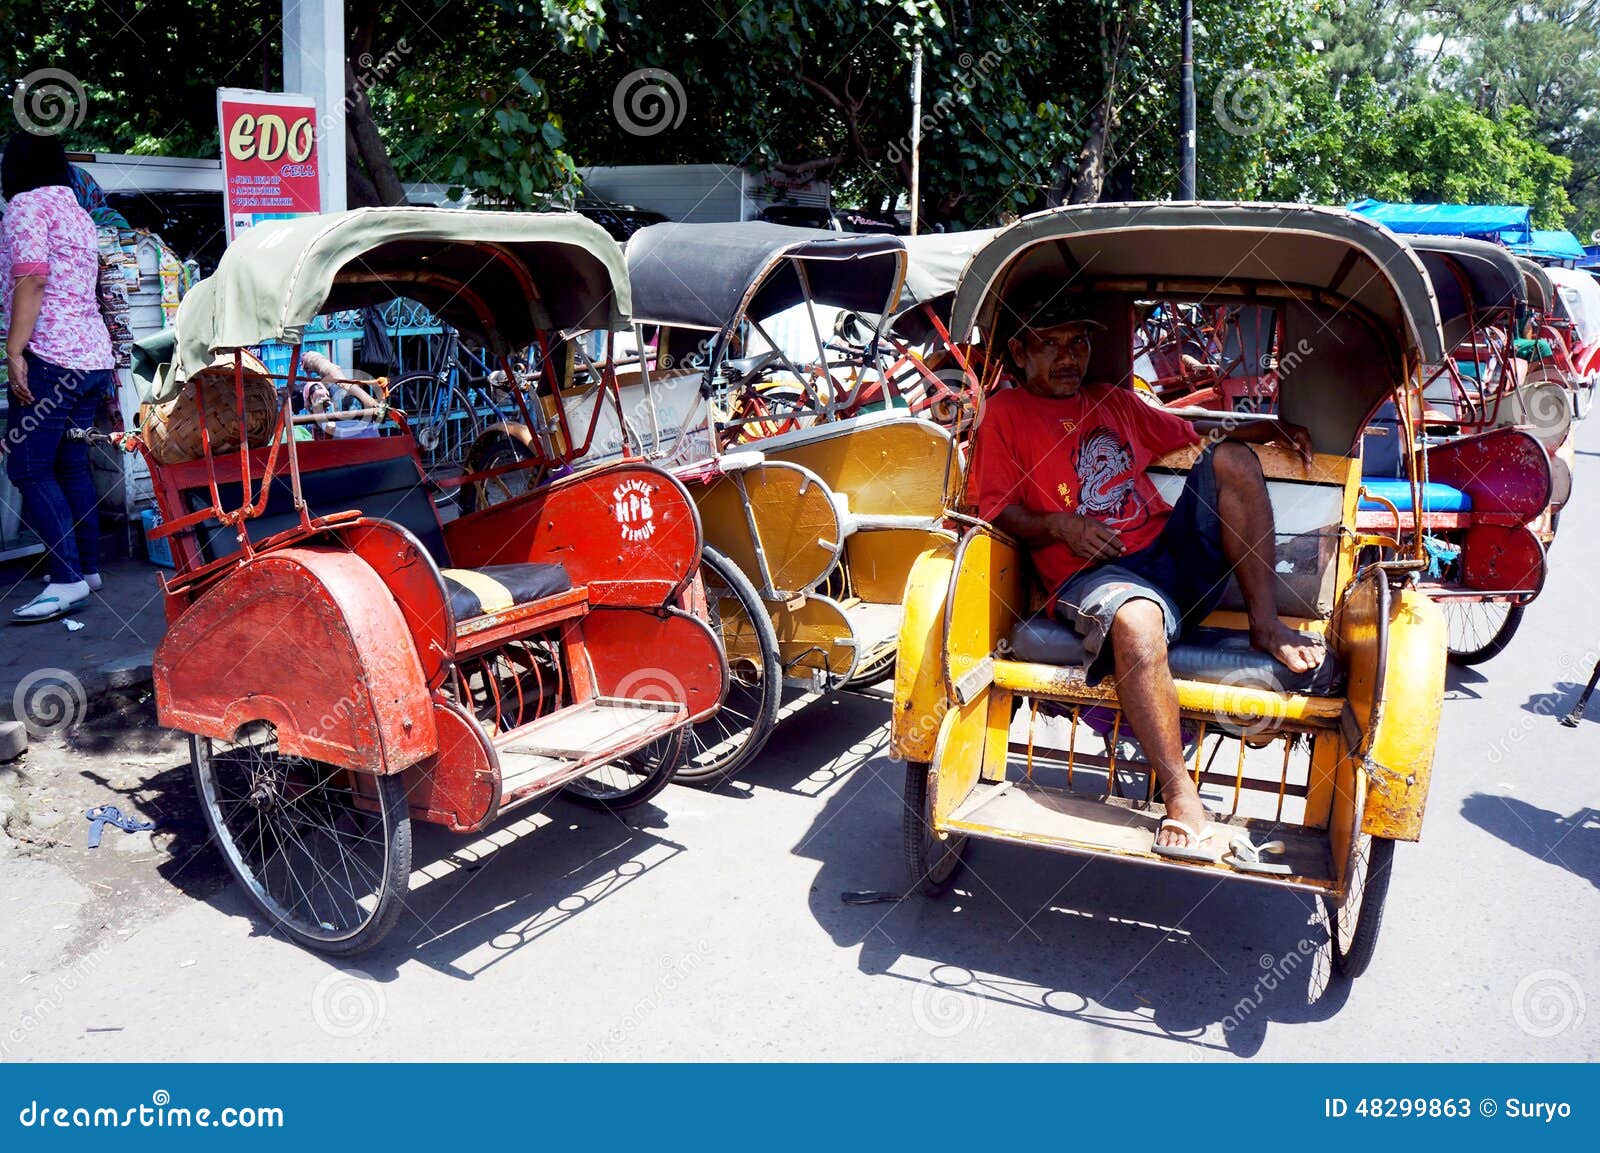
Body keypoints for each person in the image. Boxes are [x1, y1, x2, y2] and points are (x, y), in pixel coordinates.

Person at [968, 291, 1324, 859]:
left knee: (1232, 458)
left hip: (1169, 559)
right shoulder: (1005, 415)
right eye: (1050, 343)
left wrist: (1268, 428)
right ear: (1019, 351)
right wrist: (1060, 524)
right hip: (1093, 576)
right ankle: (1181, 794)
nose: (1068, 356)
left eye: (1078, 342)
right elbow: (995, 510)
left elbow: (1195, 430)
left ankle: (1265, 625)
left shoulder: (1113, 402)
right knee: (1135, 620)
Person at [3, 131, 117, 623]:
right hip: (91, 358)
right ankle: (86, 569)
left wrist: (14, 350)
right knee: (70, 466)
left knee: (28, 468)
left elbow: (32, 279)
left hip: (51, 357)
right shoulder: (77, 211)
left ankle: (66, 579)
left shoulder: (26, 206)